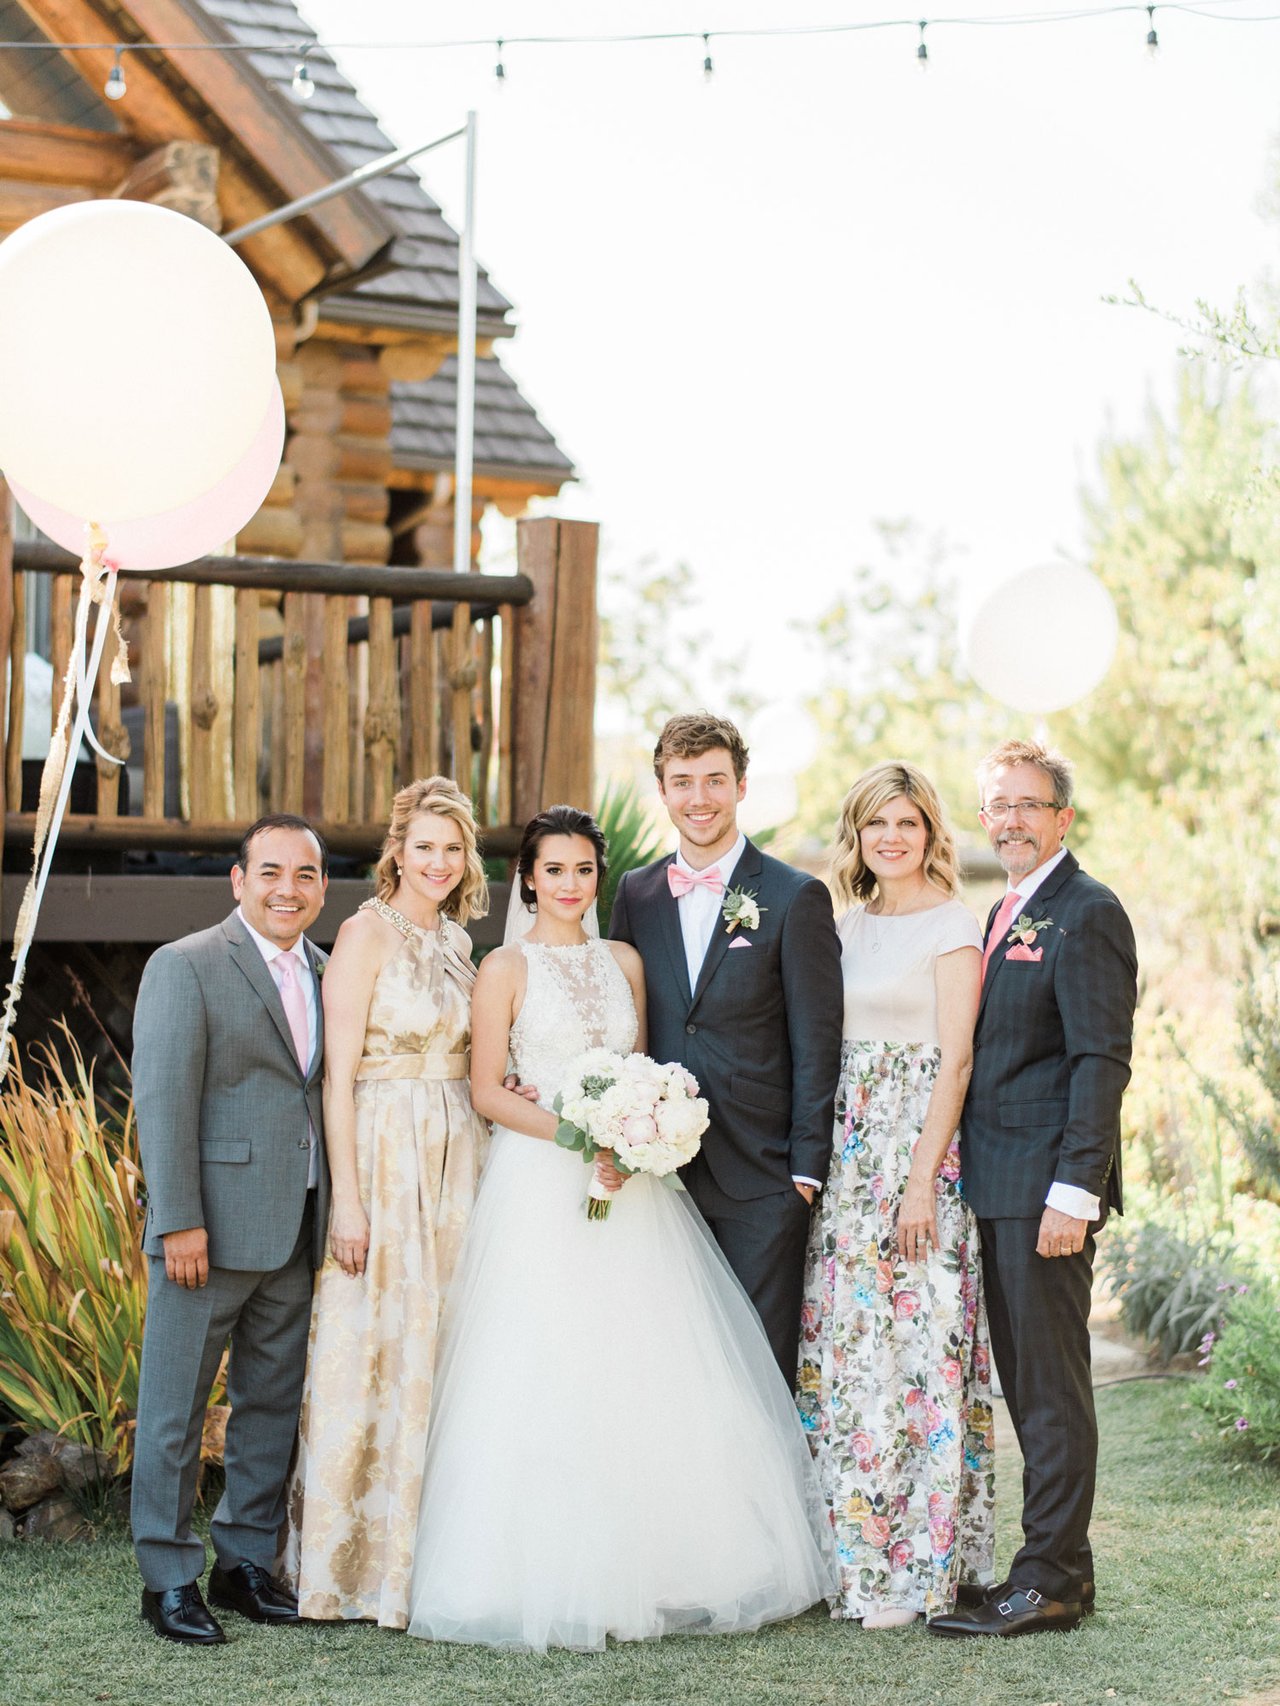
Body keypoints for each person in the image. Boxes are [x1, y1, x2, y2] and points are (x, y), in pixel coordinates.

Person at [406, 805, 834, 1651]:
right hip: (540, 1184)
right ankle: (544, 1567)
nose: (569, 885)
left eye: (583, 870)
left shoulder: (627, 961)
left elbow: (643, 1066)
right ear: (527, 876)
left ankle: (673, 1562)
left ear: (600, 877)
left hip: (631, 1188)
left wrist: (640, 1134)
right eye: (552, 870)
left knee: (646, 1363)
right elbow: (488, 1089)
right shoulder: (503, 967)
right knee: (550, 1367)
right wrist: (580, 1137)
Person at [928, 739, 1137, 1640]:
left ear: (1063, 818)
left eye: (1029, 803)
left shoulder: (1086, 912)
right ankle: (1055, 1571)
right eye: (998, 804)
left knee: (1050, 1393)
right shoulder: (1003, 909)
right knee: (1027, 1388)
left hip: (1045, 1190)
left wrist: (1075, 1193)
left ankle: (1049, 1579)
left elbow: (1100, 1060)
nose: (1011, 818)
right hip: (997, 1185)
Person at [281, 777, 491, 1628]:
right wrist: (349, 1204)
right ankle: (350, 1569)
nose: (439, 863)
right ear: (396, 852)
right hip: (382, 1144)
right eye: (425, 847)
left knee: (445, 1344)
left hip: (458, 1152)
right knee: (373, 1344)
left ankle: (438, 1560)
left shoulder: (462, 942)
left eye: (454, 849)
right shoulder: (365, 933)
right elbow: (335, 1079)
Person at [797, 762, 996, 1630]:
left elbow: (956, 1061)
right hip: (849, 1160)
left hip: (919, 1163)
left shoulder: (955, 927)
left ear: (930, 834)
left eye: (908, 824)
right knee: (852, 1359)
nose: (892, 838)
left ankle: (920, 1570)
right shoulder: (841, 927)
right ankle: (854, 1564)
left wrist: (920, 1182)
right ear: (859, 834)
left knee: (920, 1358)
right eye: (878, 824)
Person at [130, 815, 329, 1645]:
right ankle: (168, 1578)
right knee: (174, 1410)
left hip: (297, 1224)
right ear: (238, 880)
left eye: (307, 875)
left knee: (269, 1407)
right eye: (272, 872)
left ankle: (244, 1564)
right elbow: (164, 1101)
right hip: (204, 1232)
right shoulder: (187, 965)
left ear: (322, 887)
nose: (290, 889)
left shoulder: (330, 971)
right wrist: (178, 1221)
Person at [609, 712, 843, 1381]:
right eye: (682, 782)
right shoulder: (637, 892)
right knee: (674, 1364)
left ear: (742, 786)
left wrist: (804, 1171)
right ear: (662, 791)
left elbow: (816, 1039)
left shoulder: (796, 897)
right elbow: (630, 1019)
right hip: (660, 1177)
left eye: (715, 779)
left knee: (757, 1367)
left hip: (762, 1176)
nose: (699, 797)